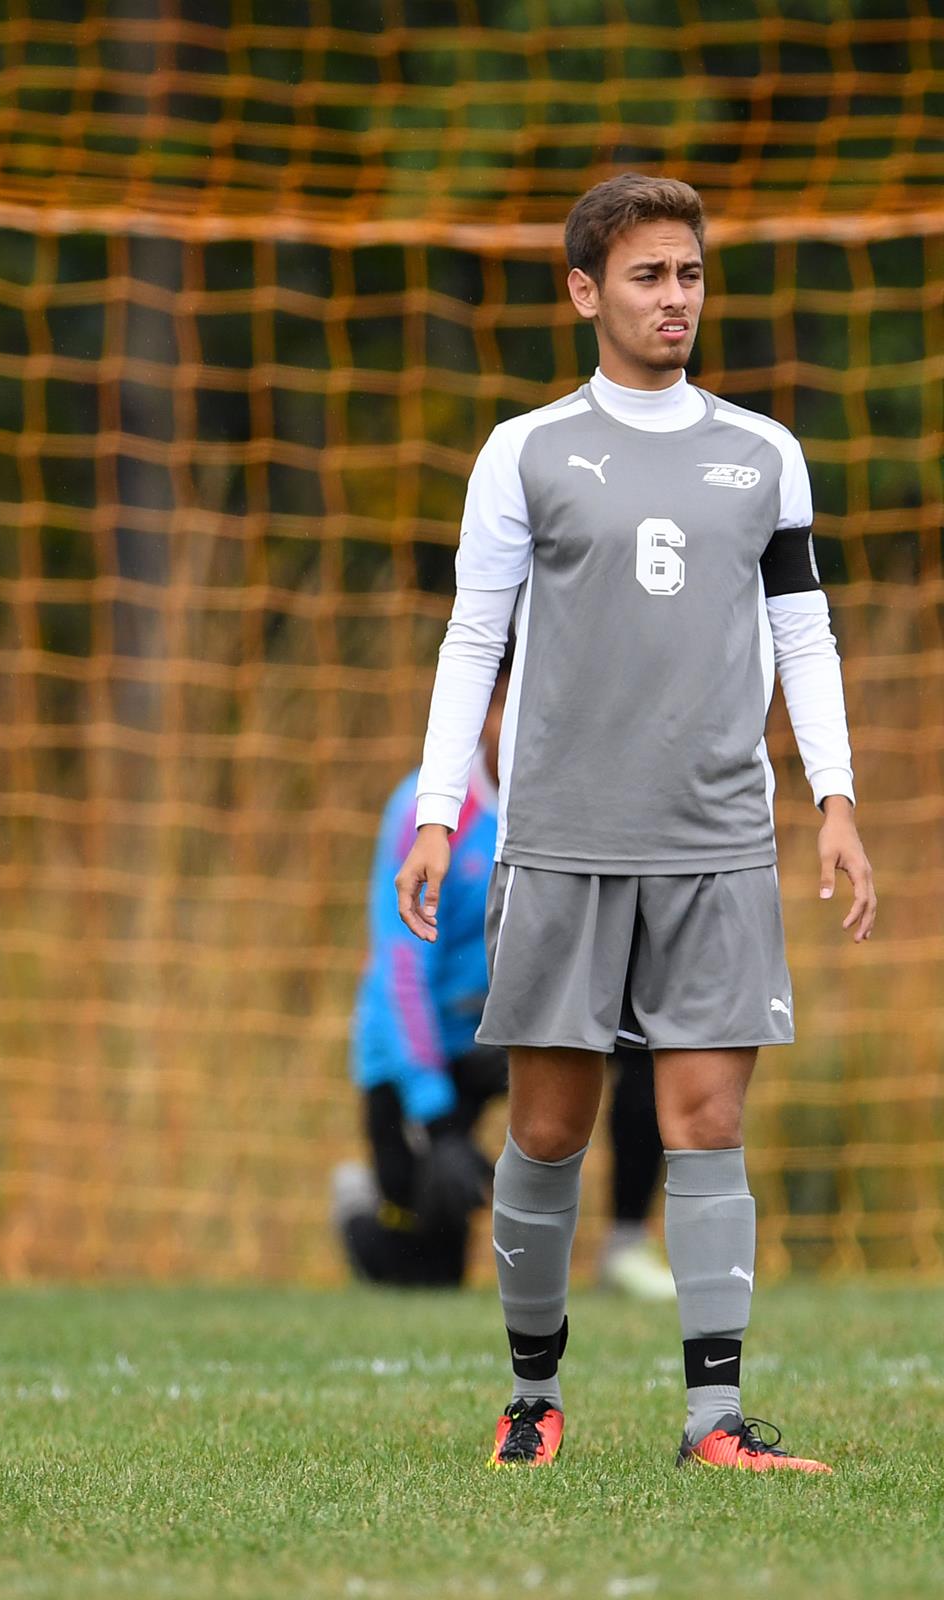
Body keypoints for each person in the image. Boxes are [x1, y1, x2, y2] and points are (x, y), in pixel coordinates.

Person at [395, 174, 875, 1473]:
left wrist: (833, 797)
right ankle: (531, 1399)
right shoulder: (524, 451)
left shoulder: (763, 453)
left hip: (716, 841)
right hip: (560, 839)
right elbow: (473, 641)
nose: (676, 298)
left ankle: (713, 1422)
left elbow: (803, 635)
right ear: (584, 291)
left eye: (690, 274)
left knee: (705, 1123)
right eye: (649, 275)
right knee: (548, 1130)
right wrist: (437, 813)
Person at [339, 653, 674, 1299]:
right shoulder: (429, 811)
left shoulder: (574, 804)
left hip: (517, 1025)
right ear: (486, 711)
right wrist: (437, 1119)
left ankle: (626, 1242)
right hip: (427, 1052)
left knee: (648, 1038)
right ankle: (362, 1202)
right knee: (426, 1271)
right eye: (509, 707)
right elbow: (401, 974)